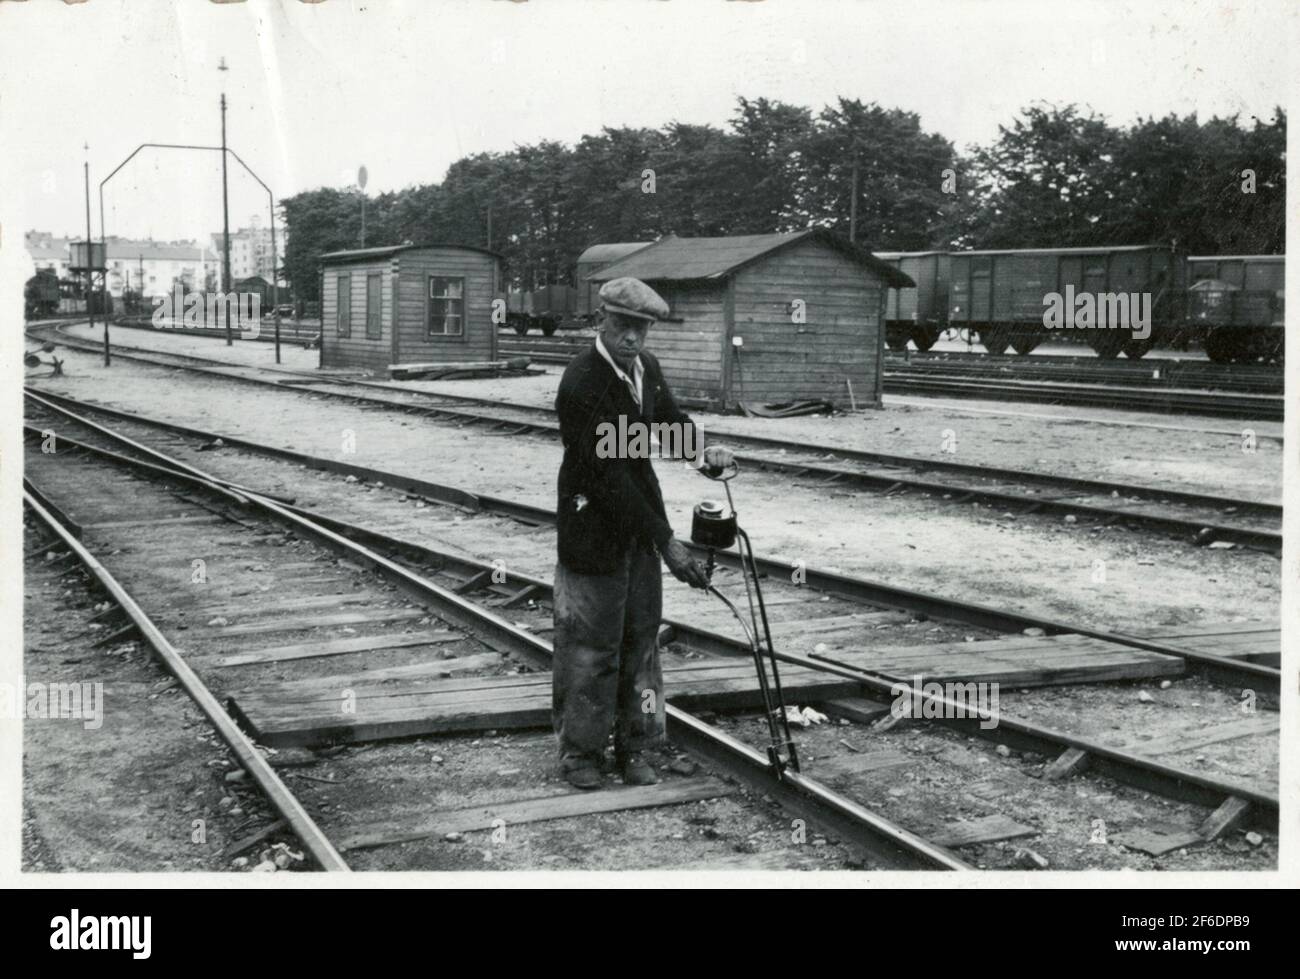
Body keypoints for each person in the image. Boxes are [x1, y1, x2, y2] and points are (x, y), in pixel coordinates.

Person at [552, 276, 734, 790]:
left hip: (637, 527)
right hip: (594, 528)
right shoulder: (583, 383)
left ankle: (637, 746)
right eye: (623, 326)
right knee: (591, 648)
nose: (633, 338)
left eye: (642, 329)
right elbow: (610, 480)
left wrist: (705, 455)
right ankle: (580, 755)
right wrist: (667, 542)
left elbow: (666, 423)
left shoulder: (643, 368)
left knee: (640, 642)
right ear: (600, 320)